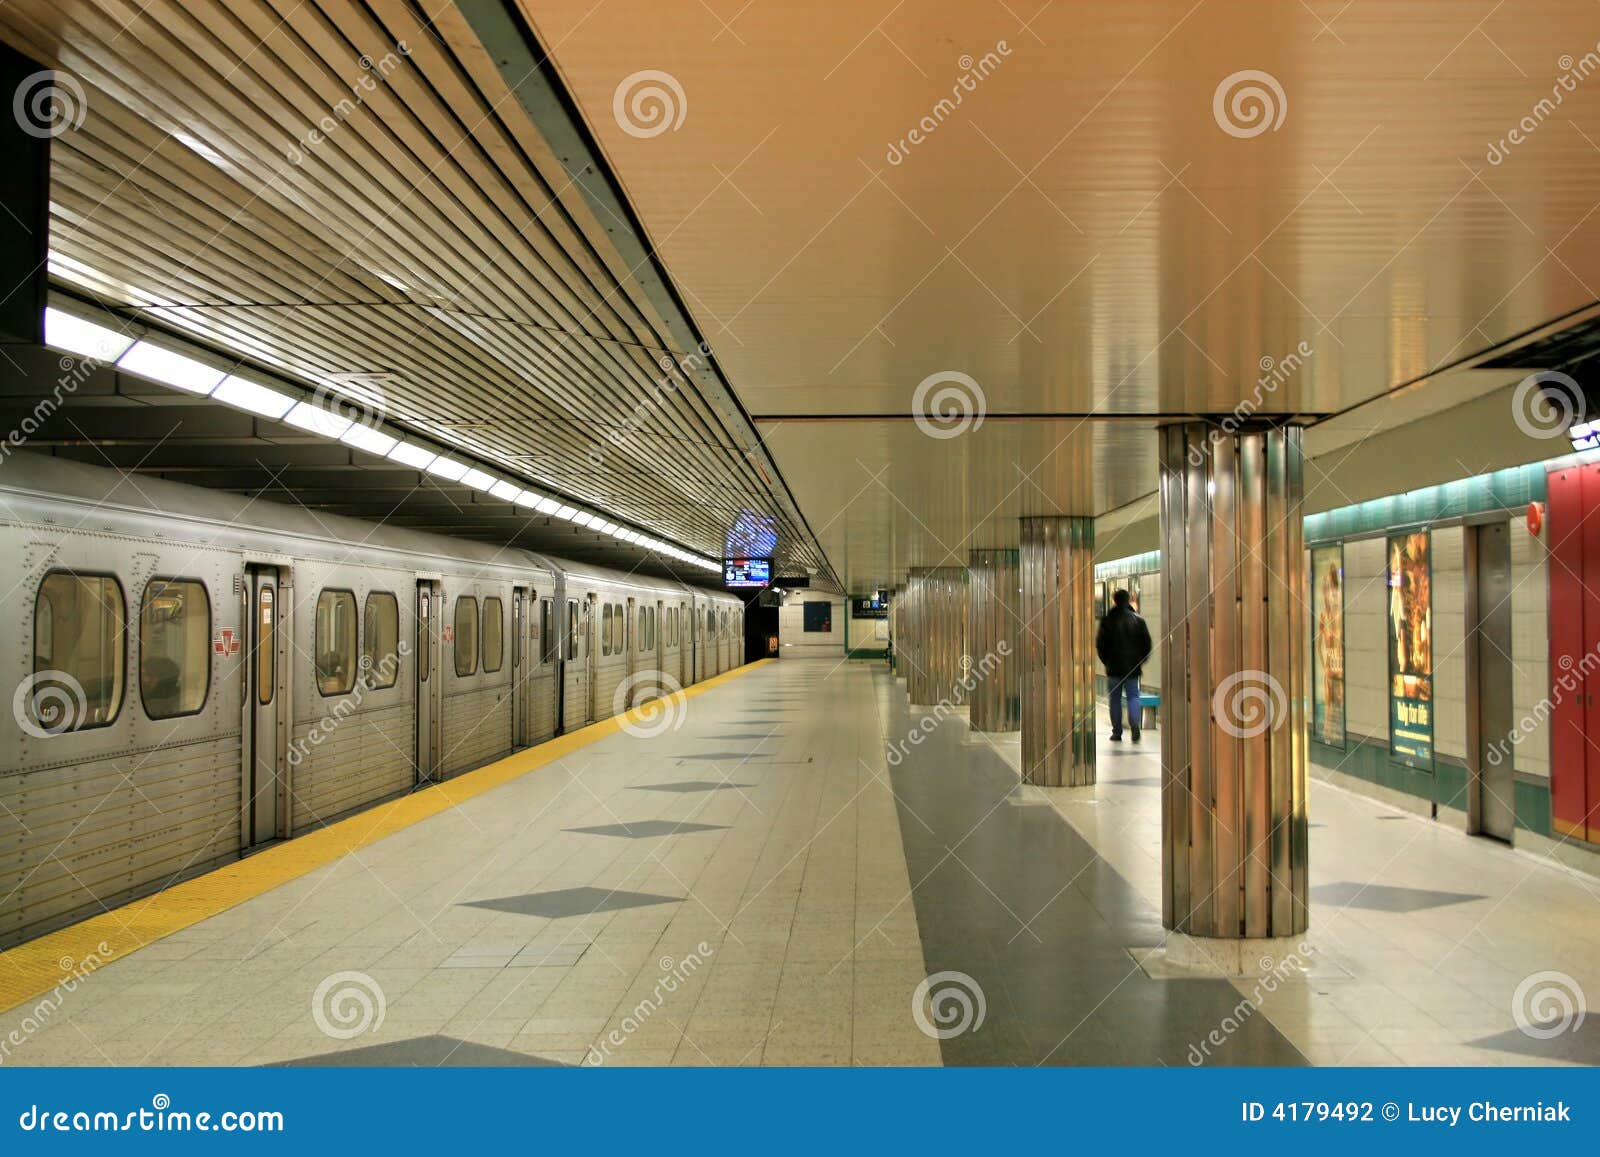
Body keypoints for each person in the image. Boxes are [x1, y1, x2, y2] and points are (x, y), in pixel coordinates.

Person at [1096, 588, 1153, 742]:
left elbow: (1100, 645)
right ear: (1128, 600)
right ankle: (1135, 724)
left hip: (1113, 668)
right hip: (1133, 668)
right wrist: (1140, 661)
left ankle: (1117, 732)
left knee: (1114, 699)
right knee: (1133, 696)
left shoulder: (1107, 620)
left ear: (1114, 600)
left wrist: (1106, 661)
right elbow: (1147, 644)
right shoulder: (1138, 620)